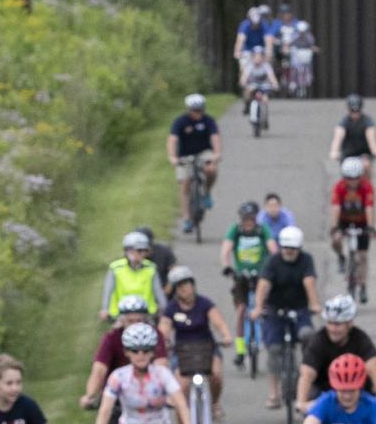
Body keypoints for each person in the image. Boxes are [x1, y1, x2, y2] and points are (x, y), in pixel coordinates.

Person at [251, 224, 320, 410]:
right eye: (286, 247)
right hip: (275, 311)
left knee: (309, 337)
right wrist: (258, 307)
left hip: (300, 310)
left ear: (299, 248)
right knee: (274, 349)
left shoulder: (306, 260)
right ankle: (273, 394)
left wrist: (315, 304)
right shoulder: (273, 261)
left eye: (293, 248)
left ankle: (308, 382)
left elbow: (309, 281)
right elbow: (264, 284)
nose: (289, 251)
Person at [158, 264, 233, 419]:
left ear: (192, 284)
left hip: (207, 347)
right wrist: (163, 341)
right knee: (182, 385)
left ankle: (215, 403)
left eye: (186, 283)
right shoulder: (171, 308)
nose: (183, 288)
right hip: (182, 350)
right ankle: (185, 413)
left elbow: (218, 322)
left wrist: (226, 336)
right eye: (179, 286)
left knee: (216, 375)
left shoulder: (204, 303)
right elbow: (164, 328)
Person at [298, 294, 376, 411]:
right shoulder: (319, 340)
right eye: (330, 323)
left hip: (356, 390)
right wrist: (301, 402)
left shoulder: (360, 338)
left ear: (349, 323)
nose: (332, 329)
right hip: (324, 391)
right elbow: (307, 373)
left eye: (338, 324)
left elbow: (375, 369)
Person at [220, 202, 272, 367]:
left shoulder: (262, 230)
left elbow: (273, 247)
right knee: (242, 310)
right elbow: (226, 249)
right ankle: (241, 350)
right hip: (241, 276)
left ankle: (270, 344)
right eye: (245, 219)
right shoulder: (236, 230)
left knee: (266, 309)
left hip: (261, 275)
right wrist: (226, 265)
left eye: (251, 219)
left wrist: (275, 264)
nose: (248, 223)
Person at [166, 94, 221, 233]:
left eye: (200, 110)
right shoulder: (180, 122)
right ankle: (187, 219)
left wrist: (217, 153)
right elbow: (172, 140)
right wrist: (172, 157)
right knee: (185, 185)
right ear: (189, 110)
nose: (198, 113)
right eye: (194, 110)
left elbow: (215, 137)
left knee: (211, 169)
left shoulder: (208, 121)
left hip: (203, 152)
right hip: (185, 155)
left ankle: (207, 192)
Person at [330, 157, 376, 301]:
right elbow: (336, 207)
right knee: (336, 239)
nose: (352, 182)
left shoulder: (367, 187)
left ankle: (363, 285)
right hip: (344, 220)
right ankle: (341, 256)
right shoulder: (339, 187)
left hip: (362, 222)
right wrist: (335, 227)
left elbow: (369, 208)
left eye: (356, 178)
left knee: (363, 256)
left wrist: (370, 227)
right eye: (349, 178)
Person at [99, 232, 166, 322]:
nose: (142, 254)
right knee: (115, 331)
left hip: (146, 316)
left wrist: (165, 310)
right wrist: (105, 309)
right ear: (127, 251)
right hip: (121, 316)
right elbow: (108, 291)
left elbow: (158, 292)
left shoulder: (151, 267)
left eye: (144, 251)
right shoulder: (115, 268)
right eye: (139, 250)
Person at [329, 94, 376, 171]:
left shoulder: (367, 121)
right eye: (352, 111)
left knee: (366, 165)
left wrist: (375, 150)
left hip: (364, 152)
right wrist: (334, 151)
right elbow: (338, 137)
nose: (355, 114)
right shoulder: (344, 122)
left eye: (357, 111)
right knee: (346, 168)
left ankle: (367, 178)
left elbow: (371, 138)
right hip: (348, 153)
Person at [240, 45, 279, 114]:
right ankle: (247, 105)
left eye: (260, 56)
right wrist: (243, 82)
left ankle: (263, 114)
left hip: (264, 85)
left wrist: (275, 84)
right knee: (247, 92)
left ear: (263, 57)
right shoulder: (249, 66)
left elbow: (272, 77)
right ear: (252, 56)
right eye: (255, 56)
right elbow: (244, 77)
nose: (257, 58)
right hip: (253, 85)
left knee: (265, 99)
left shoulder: (266, 66)